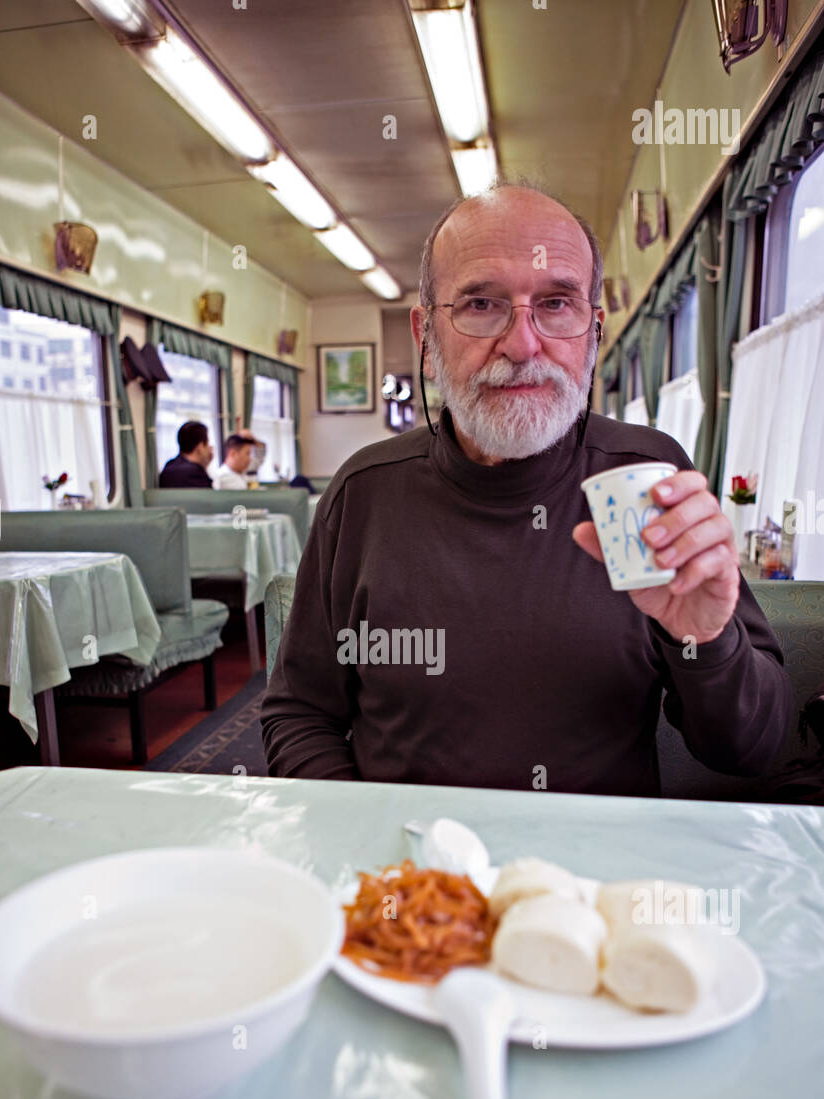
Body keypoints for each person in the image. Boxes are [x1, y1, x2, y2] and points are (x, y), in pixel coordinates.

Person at [261, 180, 792, 796]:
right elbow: (300, 715)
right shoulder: (362, 495)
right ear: (426, 339)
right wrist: (368, 846)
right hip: (412, 876)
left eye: (557, 303)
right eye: (481, 304)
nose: (520, 345)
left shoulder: (645, 482)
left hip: (597, 880)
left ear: (594, 332)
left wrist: (705, 641)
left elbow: (754, 750)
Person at [158, 421, 214, 488]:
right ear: (200, 447)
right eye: (207, 443)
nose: (210, 448)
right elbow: (209, 496)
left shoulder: (169, 466)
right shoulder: (195, 475)